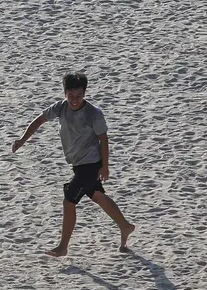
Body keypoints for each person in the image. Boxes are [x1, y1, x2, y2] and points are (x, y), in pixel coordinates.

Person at [12, 73, 136, 257]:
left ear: (84, 93)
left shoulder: (93, 114)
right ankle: (125, 226)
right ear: (65, 93)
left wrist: (105, 166)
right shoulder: (61, 107)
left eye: (79, 96)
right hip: (78, 164)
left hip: (91, 163)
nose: (74, 100)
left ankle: (63, 246)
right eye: (71, 96)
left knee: (69, 200)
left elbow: (104, 139)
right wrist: (22, 140)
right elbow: (39, 120)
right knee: (98, 197)